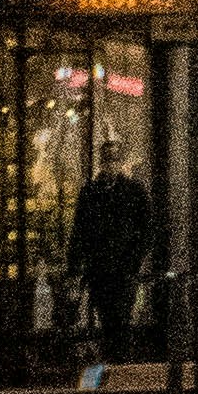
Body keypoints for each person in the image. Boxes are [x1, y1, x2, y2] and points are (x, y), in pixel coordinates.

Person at [63, 158, 153, 374]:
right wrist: (75, 267)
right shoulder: (92, 192)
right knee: (107, 316)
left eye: (113, 159)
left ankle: (117, 364)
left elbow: (148, 229)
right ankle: (114, 364)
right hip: (100, 268)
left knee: (120, 316)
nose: (109, 165)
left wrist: (133, 260)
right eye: (107, 160)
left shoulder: (131, 191)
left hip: (120, 268)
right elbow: (79, 231)